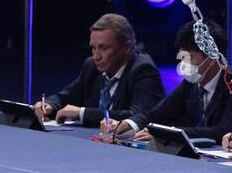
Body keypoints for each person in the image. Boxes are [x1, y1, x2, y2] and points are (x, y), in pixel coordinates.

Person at [107, 21, 232, 146]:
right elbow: (158, 113)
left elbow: (222, 130)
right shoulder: (191, 83)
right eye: (182, 57)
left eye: (188, 57)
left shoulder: (231, 84)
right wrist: (129, 124)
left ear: (212, 58)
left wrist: (165, 134)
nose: (183, 64)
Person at [32, 14, 163, 127]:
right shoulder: (91, 66)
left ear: (126, 48)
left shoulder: (142, 70)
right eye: (93, 48)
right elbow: (65, 97)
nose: (96, 56)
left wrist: (82, 113)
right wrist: (49, 105)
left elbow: (138, 116)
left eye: (103, 48)